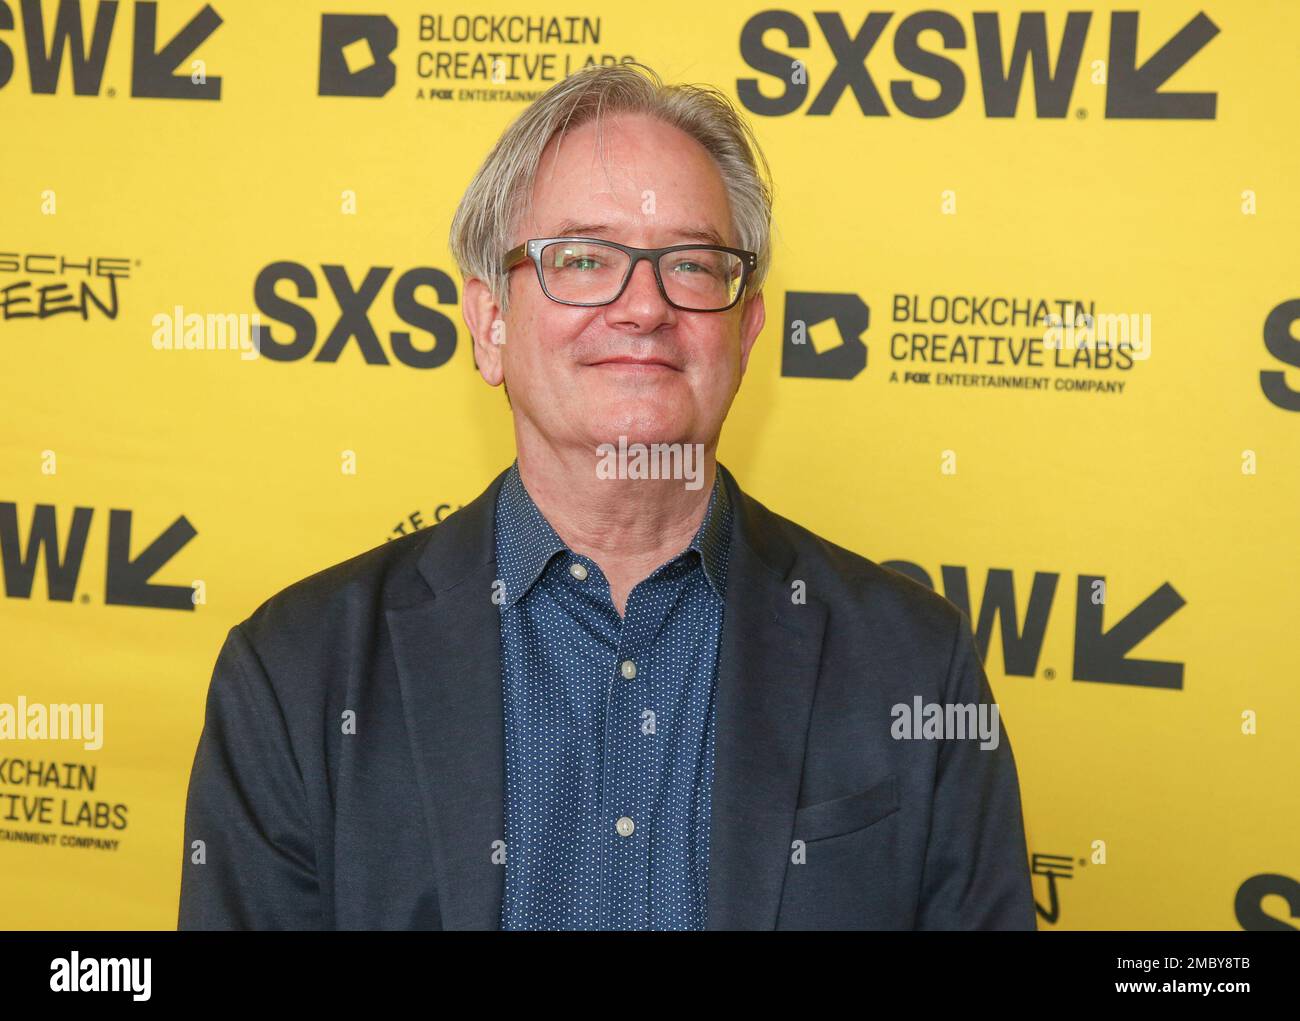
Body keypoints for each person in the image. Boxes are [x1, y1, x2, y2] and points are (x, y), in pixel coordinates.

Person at [178, 60, 1035, 930]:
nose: (642, 307)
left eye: (693, 266)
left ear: (746, 332)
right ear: (487, 326)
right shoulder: (294, 674)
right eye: (583, 259)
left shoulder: (915, 660)